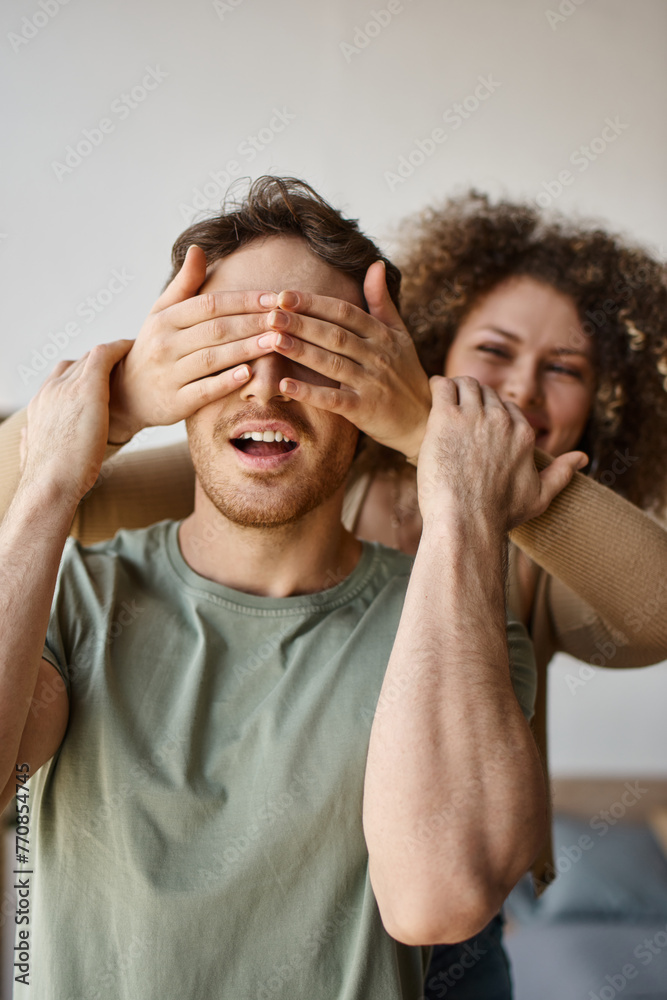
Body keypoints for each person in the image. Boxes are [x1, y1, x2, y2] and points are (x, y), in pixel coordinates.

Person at [4, 185, 664, 999]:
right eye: (493, 354)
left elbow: (654, 608)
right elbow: (62, 492)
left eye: (563, 369)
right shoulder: (225, 483)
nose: (521, 390)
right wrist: (120, 401)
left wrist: (443, 443)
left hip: (446, 902)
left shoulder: (517, 564)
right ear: (426, 354)